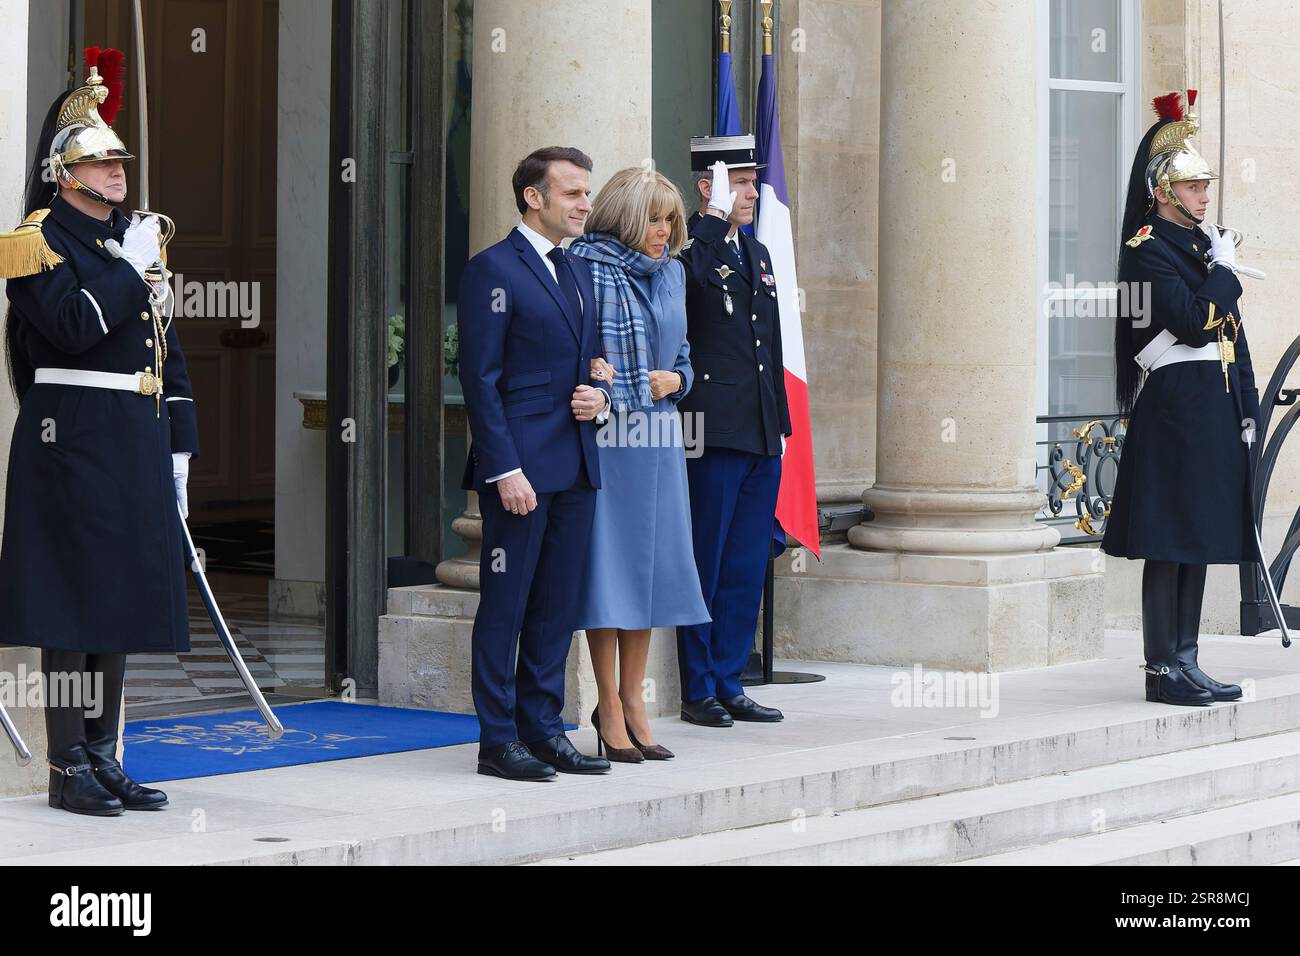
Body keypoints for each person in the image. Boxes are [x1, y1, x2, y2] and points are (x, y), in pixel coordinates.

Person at [0, 48, 197, 814]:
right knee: (69, 602)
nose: (118, 174)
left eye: (120, 162)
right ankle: (66, 765)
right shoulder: (36, 241)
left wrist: (181, 443)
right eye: (102, 164)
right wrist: (127, 268)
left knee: (114, 597)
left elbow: (165, 347)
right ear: (65, 173)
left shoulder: (134, 238)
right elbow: (74, 329)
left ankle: (106, 753)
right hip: (72, 435)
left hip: (133, 432)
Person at [458, 146, 614, 780]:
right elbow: (480, 379)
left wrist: (600, 396)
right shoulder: (492, 269)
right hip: (519, 471)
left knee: (557, 606)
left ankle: (543, 728)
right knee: (506, 604)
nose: (585, 204)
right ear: (534, 198)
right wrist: (504, 469)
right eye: (573, 193)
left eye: (586, 193)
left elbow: (596, 362)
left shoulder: (577, 272)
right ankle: (497, 740)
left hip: (577, 466)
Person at [1102, 90, 1257, 706]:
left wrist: (1245, 404)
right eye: (1194, 187)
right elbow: (1193, 323)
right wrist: (1225, 273)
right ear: (1164, 192)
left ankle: (1187, 659)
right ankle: (1160, 667)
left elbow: (1231, 338)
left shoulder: (1198, 247)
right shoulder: (1146, 251)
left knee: (1196, 535)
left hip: (1211, 404)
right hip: (1174, 407)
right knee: (1169, 540)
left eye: (1206, 187)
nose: (1204, 196)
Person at [570, 168, 709, 762]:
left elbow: (684, 357)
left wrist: (678, 379)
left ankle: (634, 701)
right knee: (612, 575)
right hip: (608, 436)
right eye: (653, 218)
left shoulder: (674, 273)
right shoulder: (585, 267)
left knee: (652, 573)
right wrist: (616, 382)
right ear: (625, 218)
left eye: (670, 219)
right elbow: (579, 355)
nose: (664, 230)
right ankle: (607, 704)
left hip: (659, 437)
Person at [674, 135, 791, 727]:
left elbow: (766, 348)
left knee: (746, 564)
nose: (752, 191)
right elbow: (686, 286)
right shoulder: (694, 245)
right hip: (711, 433)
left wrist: (781, 429)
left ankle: (730, 678)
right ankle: (698, 687)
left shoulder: (758, 254)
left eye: (751, 181)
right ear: (708, 186)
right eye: (740, 181)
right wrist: (714, 219)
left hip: (759, 432)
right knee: (707, 559)